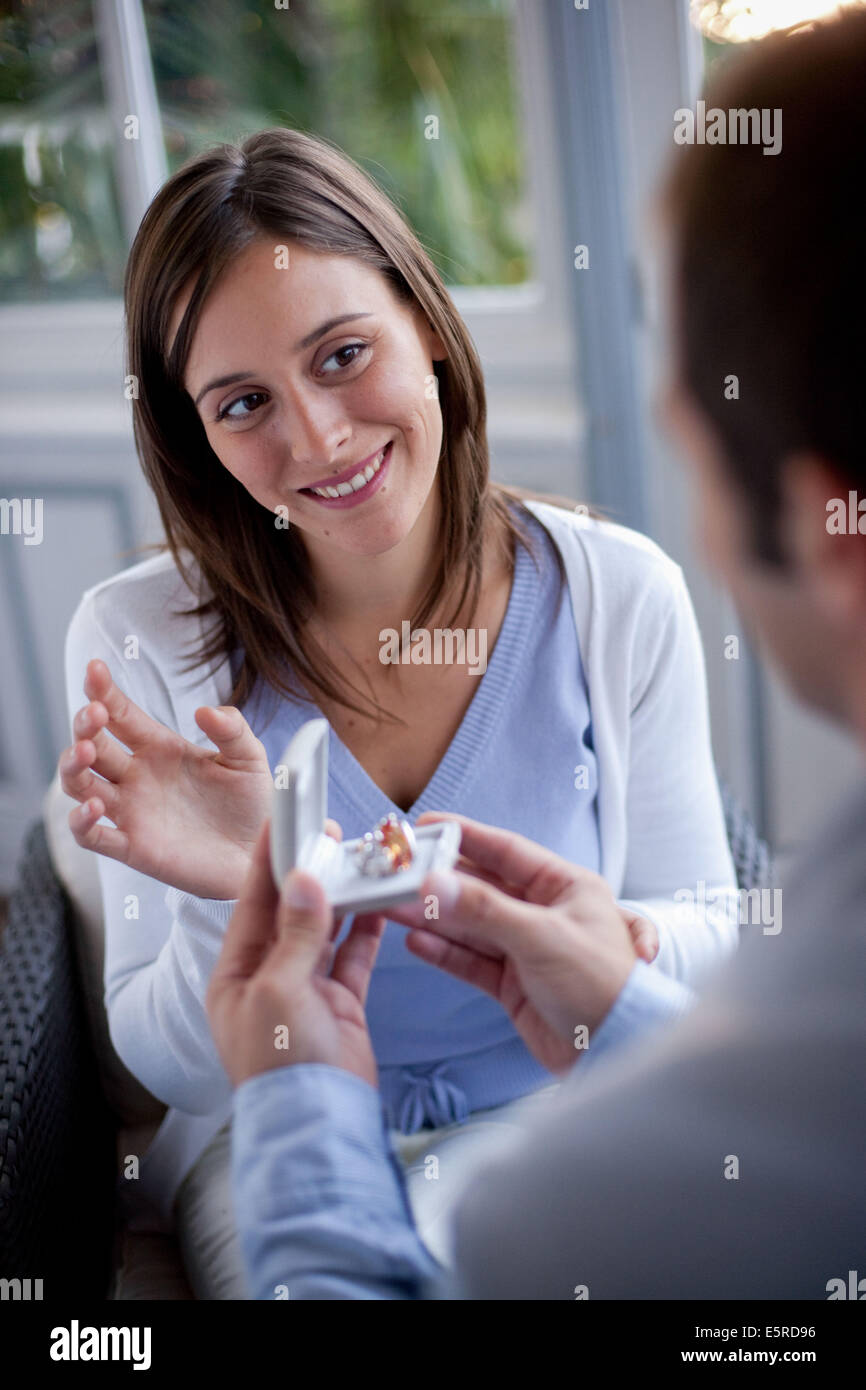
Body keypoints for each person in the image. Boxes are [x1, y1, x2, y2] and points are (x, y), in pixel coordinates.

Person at [203, 9, 866, 1299]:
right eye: (242, 402)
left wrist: (293, 1095)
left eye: (681, 433)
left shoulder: (548, 1221)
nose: (318, 434)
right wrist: (617, 993)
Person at [60, 129, 736, 1296]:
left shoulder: (618, 594)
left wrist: (599, 941)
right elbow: (162, 1054)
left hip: (562, 1109)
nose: (315, 439)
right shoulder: (136, 638)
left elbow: (708, 921)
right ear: (197, 438)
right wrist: (238, 895)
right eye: (241, 403)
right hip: (284, 1138)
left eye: (342, 354)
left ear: (425, 323)